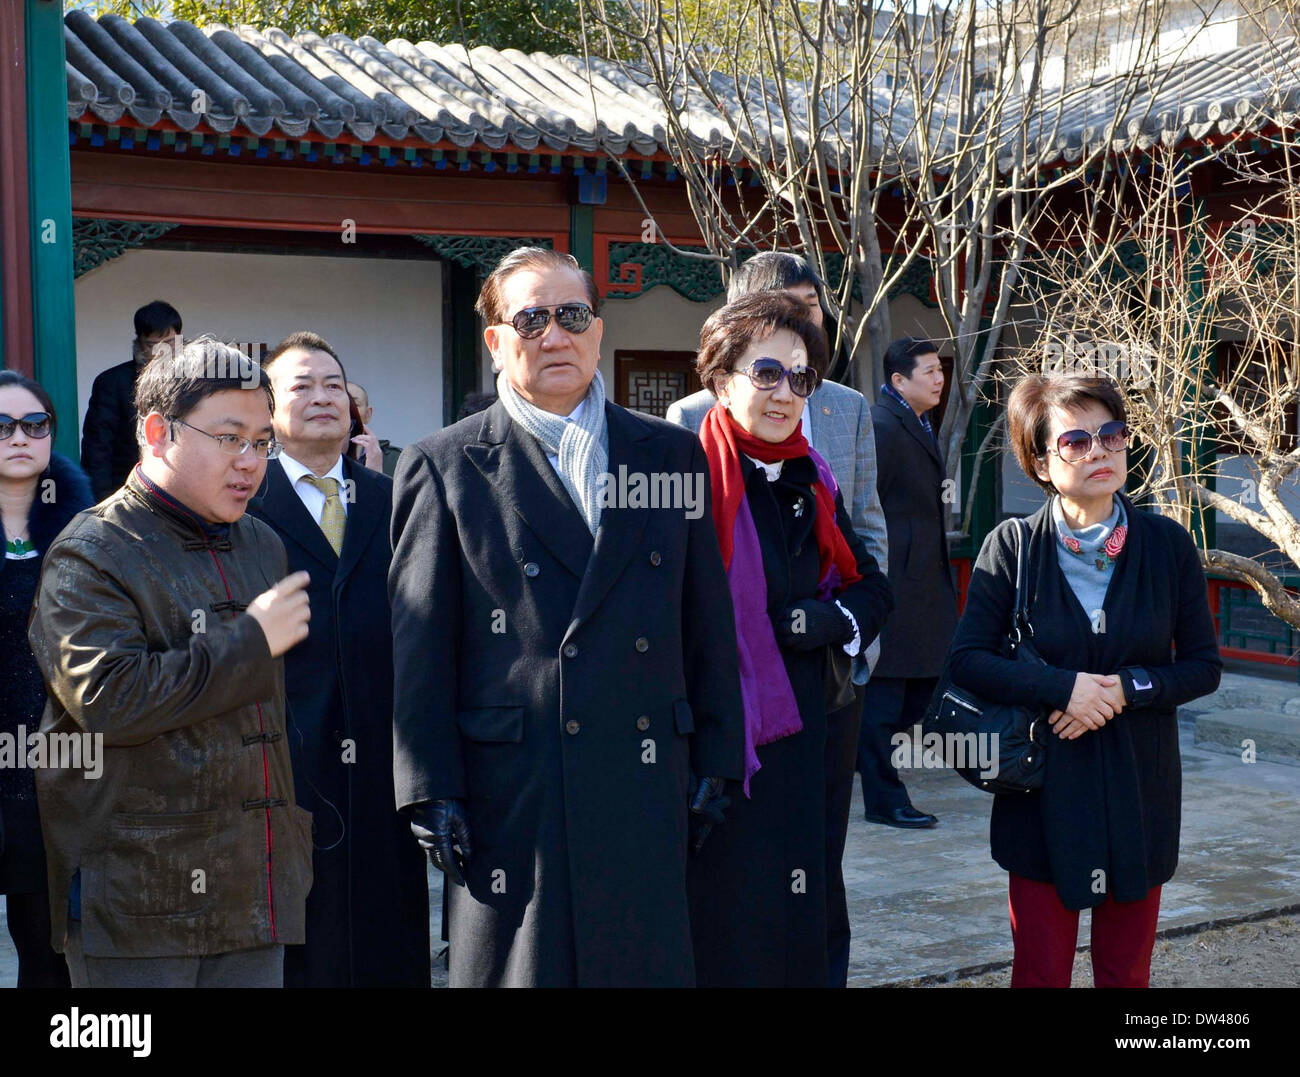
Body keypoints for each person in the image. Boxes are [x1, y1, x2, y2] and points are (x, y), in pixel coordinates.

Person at [389, 246, 745, 987]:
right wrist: (429, 786)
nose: (555, 335)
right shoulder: (446, 464)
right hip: (515, 789)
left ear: (598, 329)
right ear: (495, 340)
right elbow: (421, 643)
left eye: (572, 315)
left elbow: (705, 619)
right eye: (531, 319)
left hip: (645, 774)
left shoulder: (669, 456)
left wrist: (717, 752)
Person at [27, 338, 314, 988]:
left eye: (264, 441)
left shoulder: (262, 542)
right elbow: (109, 701)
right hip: (137, 899)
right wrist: (249, 640)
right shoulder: (91, 551)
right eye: (230, 437)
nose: (251, 462)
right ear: (156, 431)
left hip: (256, 886)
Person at [946, 374, 1222, 988]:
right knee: (1040, 971)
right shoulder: (1011, 547)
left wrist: (1124, 689)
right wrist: (1063, 689)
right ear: (1040, 462)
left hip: (1138, 787)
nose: (1099, 451)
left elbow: (1203, 665)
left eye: (1112, 434)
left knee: (1126, 972)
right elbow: (965, 661)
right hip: (1042, 790)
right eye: (1075, 441)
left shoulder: (1167, 545)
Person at [667, 250, 889, 986]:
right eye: (766, 373)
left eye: (800, 377)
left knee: (809, 890)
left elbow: (872, 581)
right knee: (725, 910)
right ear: (722, 377)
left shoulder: (809, 477)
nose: (785, 392)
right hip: (714, 734)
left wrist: (834, 626)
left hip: (809, 720)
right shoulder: (678, 475)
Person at [252, 333, 429, 988]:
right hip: (286, 756)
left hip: (389, 757)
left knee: (389, 929)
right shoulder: (244, 504)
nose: (322, 396)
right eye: (301, 385)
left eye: (333, 384)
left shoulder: (395, 497)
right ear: (267, 407)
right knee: (304, 938)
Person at [0, 373, 92, 988]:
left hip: (58, 752)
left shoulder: (90, 532)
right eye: (2, 426)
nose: (19, 438)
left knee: (50, 937)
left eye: (35, 425)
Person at [857, 337, 957, 828]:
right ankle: (883, 797)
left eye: (941, 370)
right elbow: (864, 504)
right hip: (893, 580)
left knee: (919, 687)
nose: (940, 379)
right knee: (885, 695)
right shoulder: (882, 425)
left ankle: (862, 763)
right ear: (899, 380)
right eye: (930, 371)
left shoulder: (916, 421)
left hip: (921, 583)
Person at [81, 300, 182, 501]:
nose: (161, 352)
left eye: (170, 343)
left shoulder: (194, 381)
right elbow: (98, 452)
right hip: (128, 493)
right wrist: (102, 504)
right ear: (139, 343)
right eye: (153, 345)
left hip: (182, 492)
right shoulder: (111, 383)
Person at [346, 381, 402, 476]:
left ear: (368, 414)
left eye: (354, 404)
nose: (347, 410)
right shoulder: (313, 458)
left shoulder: (397, 461)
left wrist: (376, 477)